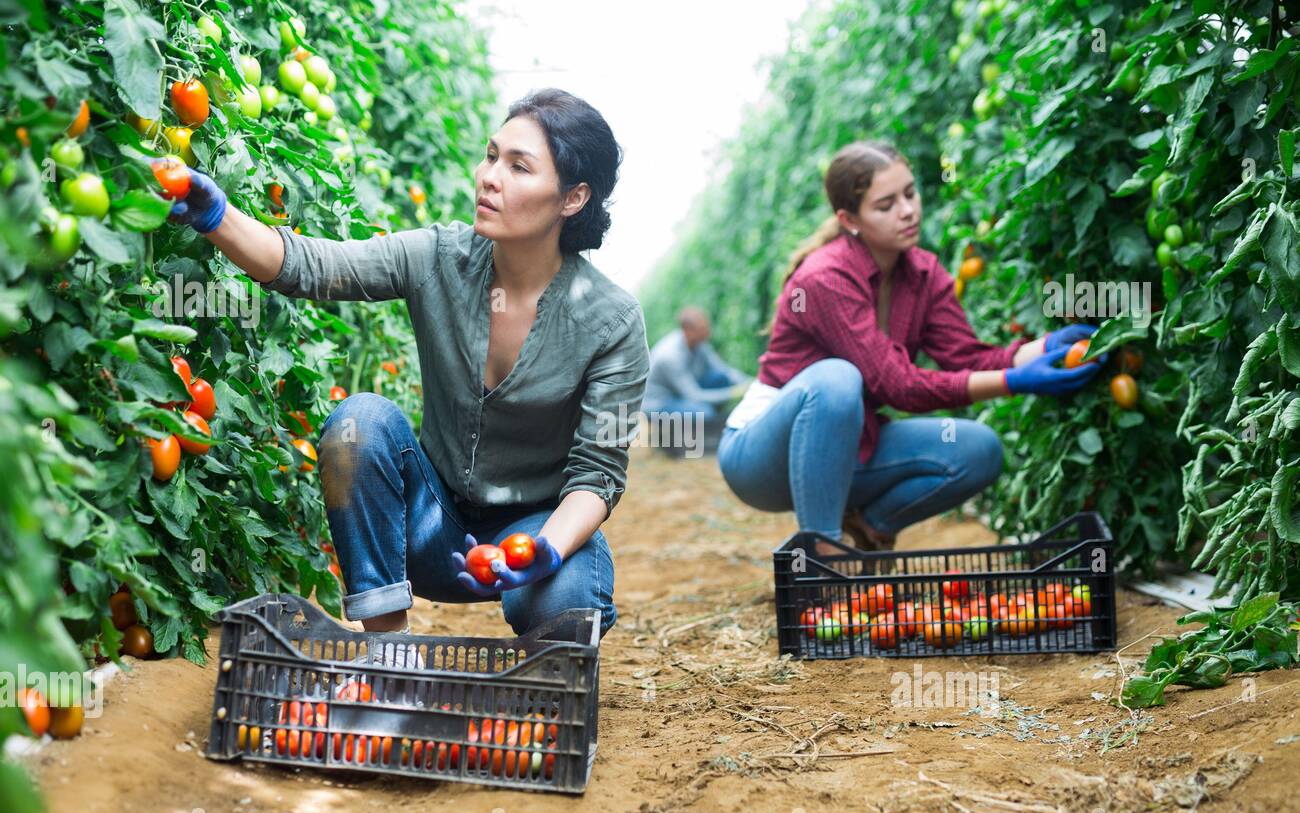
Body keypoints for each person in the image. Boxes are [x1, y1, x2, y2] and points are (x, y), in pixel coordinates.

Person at [165, 89, 649, 636]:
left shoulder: (611, 321)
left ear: (572, 198)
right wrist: (217, 216)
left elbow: (598, 473)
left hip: (534, 530)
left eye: (519, 167)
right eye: (492, 156)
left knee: (567, 607)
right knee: (361, 422)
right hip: (427, 529)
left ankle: (548, 613)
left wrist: (544, 551)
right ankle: (387, 653)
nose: (489, 176)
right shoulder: (437, 258)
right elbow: (312, 266)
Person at [718, 140, 1099, 555]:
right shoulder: (824, 278)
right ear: (849, 219)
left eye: (910, 193)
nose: (908, 210)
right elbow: (898, 385)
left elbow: (968, 359)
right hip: (761, 457)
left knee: (977, 449)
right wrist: (1014, 381)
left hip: (850, 449)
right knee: (836, 379)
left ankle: (866, 532)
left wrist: (1042, 349)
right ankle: (822, 557)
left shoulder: (924, 273)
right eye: (886, 205)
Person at [642, 307, 750, 454]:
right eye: (703, 328)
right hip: (659, 404)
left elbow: (722, 369)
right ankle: (666, 436)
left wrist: (749, 382)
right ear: (688, 330)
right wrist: (733, 393)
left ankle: (695, 430)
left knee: (720, 378)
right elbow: (694, 395)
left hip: (681, 393)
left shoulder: (699, 344)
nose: (708, 332)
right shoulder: (670, 356)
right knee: (705, 412)